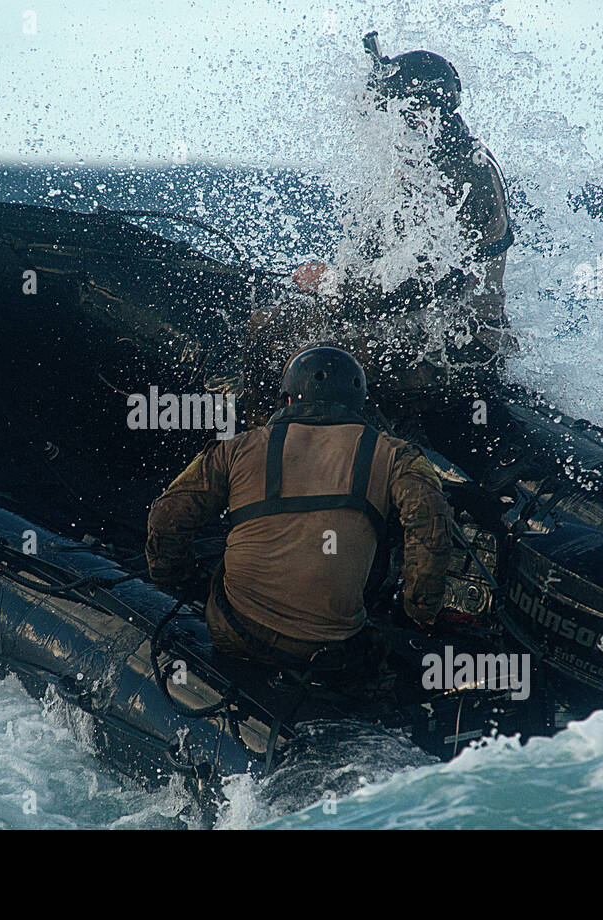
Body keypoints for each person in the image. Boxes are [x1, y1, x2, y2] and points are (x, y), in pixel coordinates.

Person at [242, 37, 515, 473]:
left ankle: (293, 477)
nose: (385, 125)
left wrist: (332, 286)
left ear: (423, 113)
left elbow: (426, 288)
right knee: (273, 321)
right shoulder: (427, 163)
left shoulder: (467, 177)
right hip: (415, 331)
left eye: (394, 112)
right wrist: (335, 283)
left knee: (305, 356)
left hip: (456, 351)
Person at [147, 347, 453, 669]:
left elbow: (167, 515)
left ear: (289, 400)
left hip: (233, 631)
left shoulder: (237, 448)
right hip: (327, 652)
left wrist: (175, 578)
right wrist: (418, 610)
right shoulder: (397, 455)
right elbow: (431, 529)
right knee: (382, 673)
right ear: (358, 404)